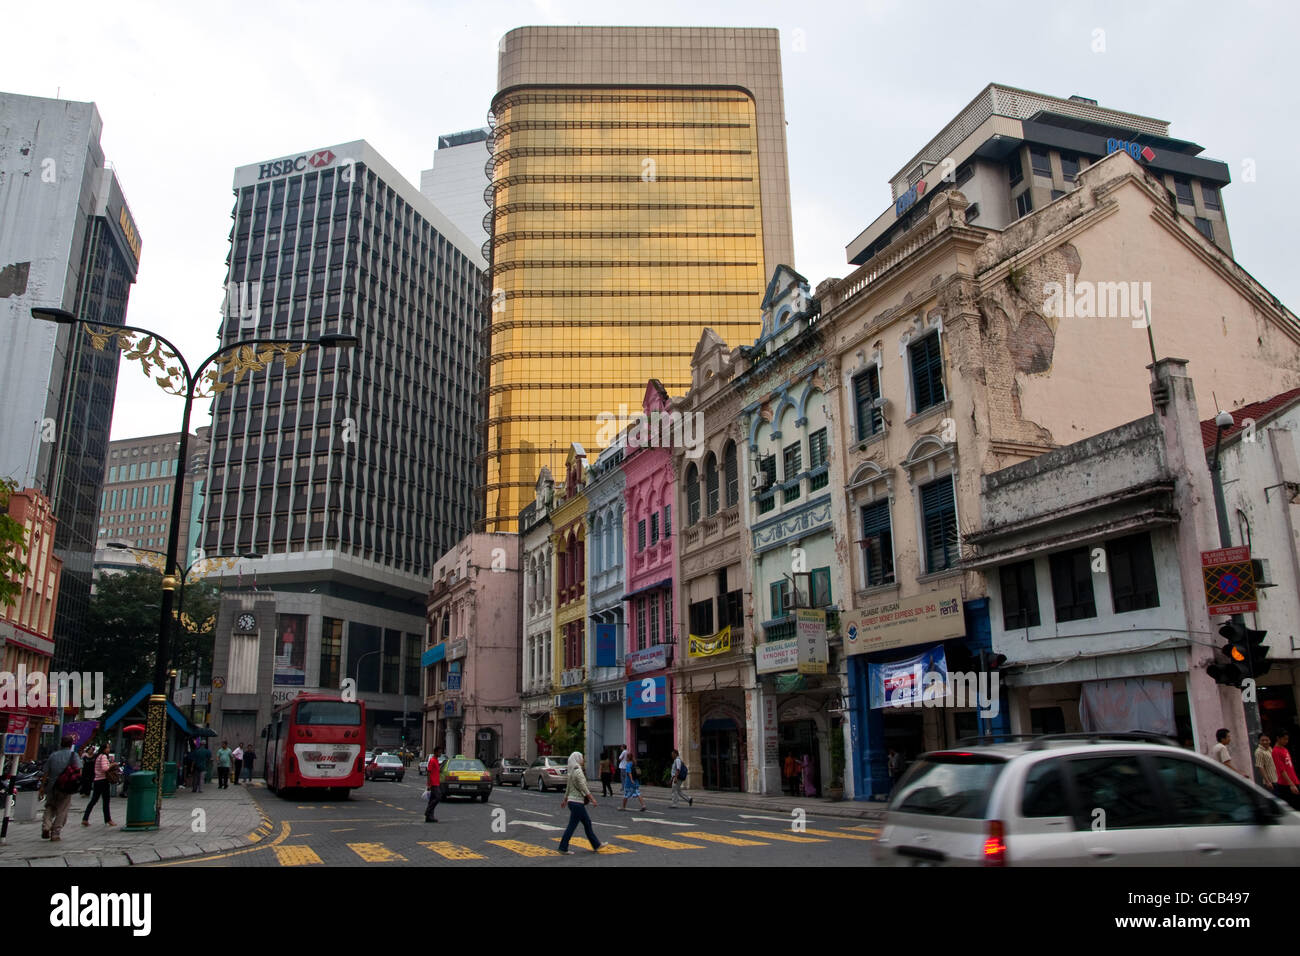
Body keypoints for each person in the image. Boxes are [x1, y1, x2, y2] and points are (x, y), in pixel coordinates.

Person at [557, 751, 603, 855]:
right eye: (581, 757)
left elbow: (568, 787)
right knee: (572, 826)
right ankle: (563, 847)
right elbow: (583, 786)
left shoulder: (572, 770)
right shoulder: (578, 771)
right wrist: (592, 798)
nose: (583, 759)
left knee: (587, 823)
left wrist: (565, 800)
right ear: (577, 759)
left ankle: (596, 844)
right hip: (577, 802)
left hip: (572, 802)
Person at [39, 734, 82, 842]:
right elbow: (78, 771)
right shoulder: (73, 755)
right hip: (66, 787)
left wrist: (42, 787)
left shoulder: (53, 755)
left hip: (52, 786)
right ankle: (55, 833)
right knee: (62, 810)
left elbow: (45, 772)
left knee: (49, 807)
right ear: (71, 744)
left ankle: (46, 826)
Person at [81, 747, 118, 828]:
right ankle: (108, 819)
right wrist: (113, 764)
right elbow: (105, 768)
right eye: (107, 747)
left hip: (97, 780)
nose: (108, 749)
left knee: (94, 800)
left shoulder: (98, 756)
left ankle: (85, 818)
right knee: (106, 801)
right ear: (104, 749)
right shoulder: (103, 756)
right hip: (103, 781)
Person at [1273, 732, 1300, 808]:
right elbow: (1281, 770)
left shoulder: (1285, 749)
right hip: (1286, 784)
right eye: (1284, 739)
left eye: (1287, 739)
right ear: (1278, 738)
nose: (1286, 741)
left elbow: (1289, 767)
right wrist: (1291, 784)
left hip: (1294, 781)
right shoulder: (1276, 751)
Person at [425, 748, 441, 822]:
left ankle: (429, 817)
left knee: (431, 800)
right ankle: (428, 812)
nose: (440, 753)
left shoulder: (436, 760)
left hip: (436, 782)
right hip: (433, 783)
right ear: (435, 752)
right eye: (439, 752)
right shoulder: (432, 760)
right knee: (438, 797)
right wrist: (429, 784)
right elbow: (429, 772)